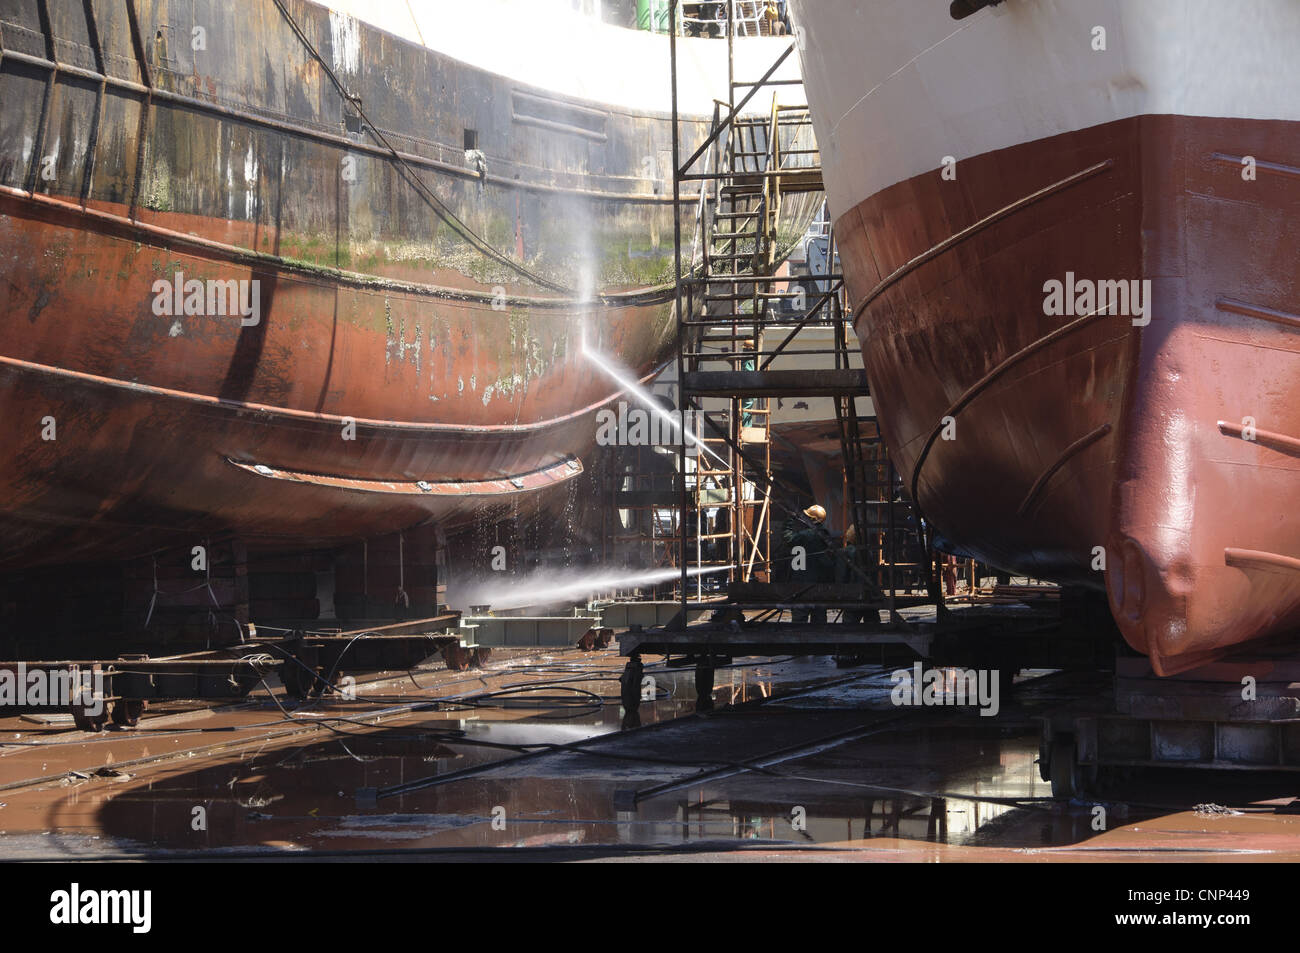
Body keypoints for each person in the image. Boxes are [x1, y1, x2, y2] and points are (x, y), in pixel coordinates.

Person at [784, 504, 834, 623]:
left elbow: (788, 539)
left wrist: (789, 522)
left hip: (802, 583)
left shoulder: (806, 535)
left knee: (799, 619)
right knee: (819, 619)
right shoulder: (825, 536)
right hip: (820, 585)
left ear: (813, 520)